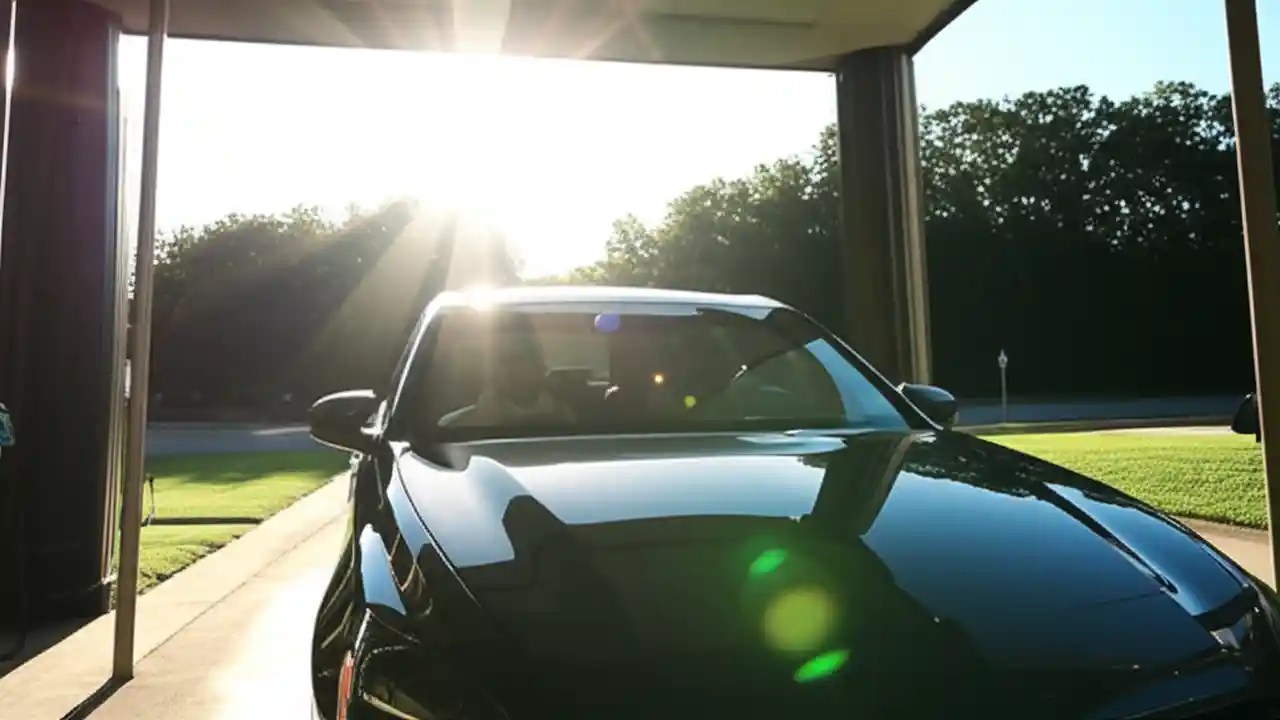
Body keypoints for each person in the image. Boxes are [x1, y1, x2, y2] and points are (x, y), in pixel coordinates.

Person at [438, 335, 574, 428]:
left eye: (520, 360)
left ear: (540, 368)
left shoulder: (569, 420)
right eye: (504, 361)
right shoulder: (455, 425)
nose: (512, 369)